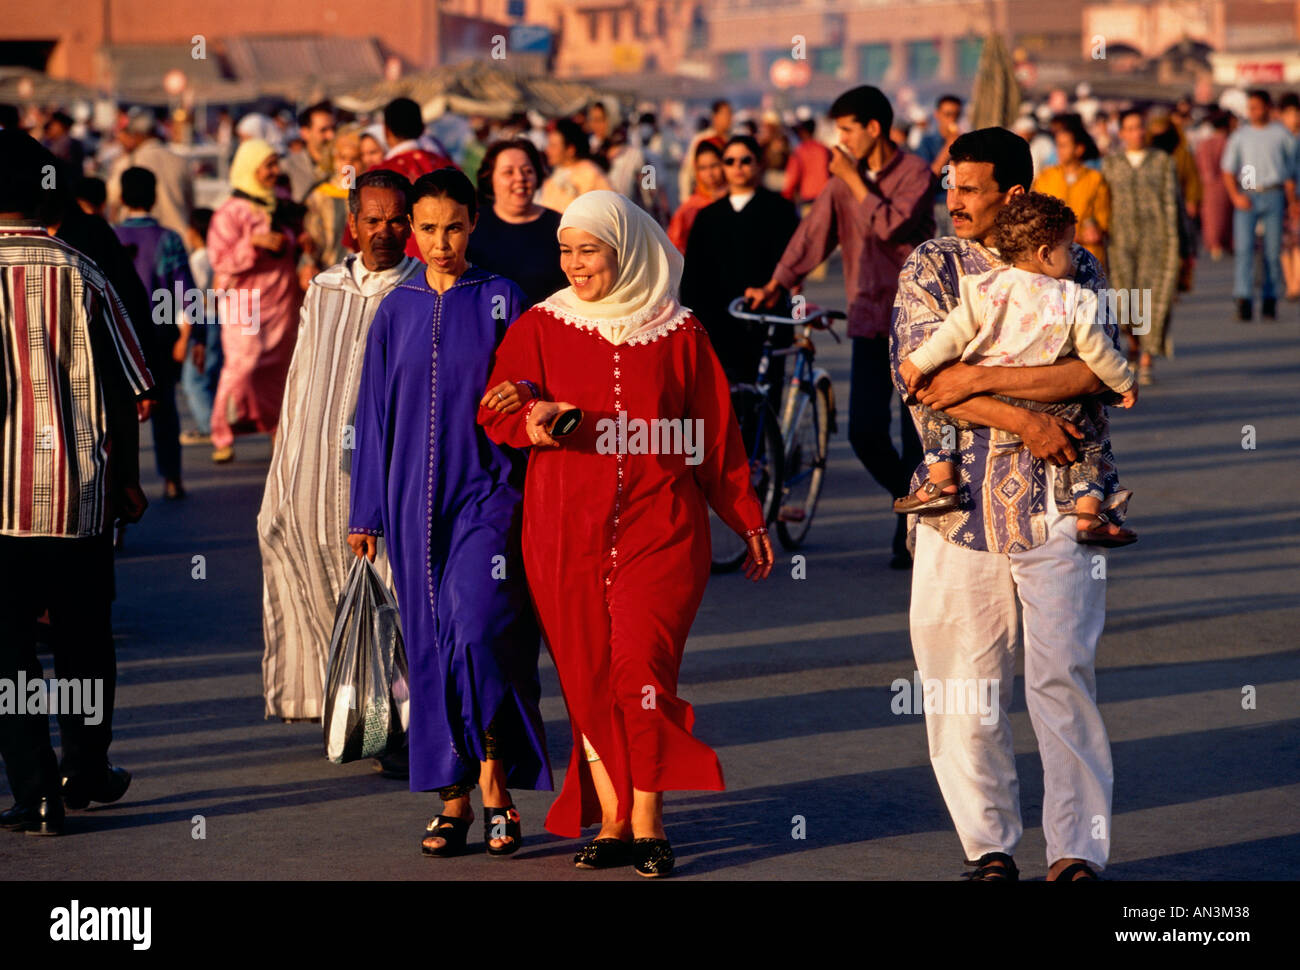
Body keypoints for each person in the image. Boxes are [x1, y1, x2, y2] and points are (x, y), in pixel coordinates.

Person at [478, 190, 774, 877]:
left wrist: (746, 516)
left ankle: (649, 816)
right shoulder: (540, 325)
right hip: (563, 532)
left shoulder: (680, 331)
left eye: (591, 250)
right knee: (587, 677)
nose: (576, 265)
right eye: (566, 251)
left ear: (625, 247)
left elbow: (714, 436)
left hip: (662, 528)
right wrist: (531, 416)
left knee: (642, 668)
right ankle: (611, 816)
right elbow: (496, 410)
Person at [892, 126, 1124, 882]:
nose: (952, 201)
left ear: (1013, 195)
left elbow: (1091, 375)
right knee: (963, 682)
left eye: (968, 189)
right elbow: (922, 379)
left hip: (1062, 501)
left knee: (1063, 678)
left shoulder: (1073, 261)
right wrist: (1023, 414)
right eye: (949, 187)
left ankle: (1075, 852)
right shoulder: (931, 264)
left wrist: (972, 382)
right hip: (956, 509)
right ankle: (988, 844)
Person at [348, 169, 552, 857]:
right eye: (427, 228)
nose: (440, 242)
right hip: (410, 503)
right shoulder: (394, 308)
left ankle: (496, 784)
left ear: (473, 224)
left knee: (479, 627)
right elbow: (371, 417)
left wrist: (522, 388)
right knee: (430, 646)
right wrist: (366, 511)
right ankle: (453, 800)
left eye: (454, 227)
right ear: (412, 229)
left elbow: (537, 387)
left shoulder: (503, 298)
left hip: (488, 495)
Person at [0, 129, 153, 836]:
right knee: (85, 640)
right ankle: (85, 765)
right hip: (78, 498)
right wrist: (127, 477)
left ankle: (34, 791)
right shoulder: (83, 270)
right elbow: (136, 385)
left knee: (8, 651)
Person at [745, 86, 933, 569]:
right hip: (868, 320)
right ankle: (912, 502)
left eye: (848, 129)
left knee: (915, 432)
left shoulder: (914, 173)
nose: (841, 139)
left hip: (921, 322)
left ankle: (908, 531)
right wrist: (777, 283)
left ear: (874, 128)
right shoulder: (839, 181)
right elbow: (813, 236)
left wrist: (853, 179)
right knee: (864, 432)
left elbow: (890, 226)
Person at [260, 170, 421, 722]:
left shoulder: (422, 289)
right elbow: (301, 379)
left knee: (390, 590)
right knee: (307, 571)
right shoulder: (325, 287)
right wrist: (282, 469)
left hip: (385, 471)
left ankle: (395, 718)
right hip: (313, 468)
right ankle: (341, 705)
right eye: (373, 219)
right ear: (352, 223)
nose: (385, 231)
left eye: (397, 219)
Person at [896, 191, 1137, 547]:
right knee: (1088, 442)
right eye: (1068, 249)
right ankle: (1088, 514)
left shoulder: (983, 289)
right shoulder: (1074, 298)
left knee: (936, 410)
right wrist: (1125, 382)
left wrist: (919, 363)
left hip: (986, 399)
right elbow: (1098, 356)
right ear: (1044, 254)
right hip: (1054, 402)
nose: (1074, 257)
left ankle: (941, 479)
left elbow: (951, 336)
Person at [681, 134, 799, 410]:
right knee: (723, 407)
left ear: (759, 164)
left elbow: (793, 263)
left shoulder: (779, 210)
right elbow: (694, 276)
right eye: (730, 161)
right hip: (719, 324)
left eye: (745, 160)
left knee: (764, 408)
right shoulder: (707, 216)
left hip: (767, 320)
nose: (738, 167)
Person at [207, 138, 303, 463]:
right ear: (251, 168)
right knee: (242, 363)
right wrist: (253, 242)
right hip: (244, 299)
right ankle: (222, 432)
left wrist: (292, 241)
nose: (275, 172)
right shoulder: (229, 212)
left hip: (281, 295)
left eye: (277, 164)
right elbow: (219, 259)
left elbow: (297, 241)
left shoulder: (283, 203)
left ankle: (276, 428)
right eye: (268, 165)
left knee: (279, 366)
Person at [114, 166, 195, 500]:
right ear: (154, 197)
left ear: (121, 197)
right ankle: (172, 478)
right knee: (165, 411)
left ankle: (120, 486)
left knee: (118, 417)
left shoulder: (109, 236)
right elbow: (184, 290)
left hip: (118, 339)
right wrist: (193, 337)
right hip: (158, 338)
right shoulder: (168, 239)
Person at [1103, 107, 1180, 383]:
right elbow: (1104, 203)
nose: (1138, 133)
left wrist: (1181, 245)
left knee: (1151, 296)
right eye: (1132, 128)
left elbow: (1173, 204)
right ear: (1121, 133)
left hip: (1157, 239)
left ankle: (1147, 355)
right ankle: (1133, 347)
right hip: (1120, 241)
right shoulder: (1111, 164)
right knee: (1124, 298)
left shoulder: (1162, 162)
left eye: (1141, 127)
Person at [1221, 89, 1299, 320]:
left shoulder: (1282, 134)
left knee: (1272, 251)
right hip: (1248, 193)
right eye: (1250, 108)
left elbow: (1292, 171)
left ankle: (1269, 297)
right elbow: (1227, 170)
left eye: (1256, 107)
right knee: (1244, 249)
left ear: (1267, 107)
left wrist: (1293, 201)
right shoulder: (1241, 135)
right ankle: (1243, 298)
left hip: (1274, 194)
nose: (1252, 112)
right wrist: (1236, 196)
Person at [466, 138, 568, 306]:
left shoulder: (560, 226)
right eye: (508, 172)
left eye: (527, 171)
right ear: (490, 178)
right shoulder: (472, 225)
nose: (520, 178)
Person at [105, 107, 194, 246]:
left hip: (138, 246)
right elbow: (190, 207)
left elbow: (112, 200)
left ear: (136, 134)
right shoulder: (181, 162)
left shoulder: (127, 163)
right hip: (179, 242)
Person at [1033, 117, 1111, 271]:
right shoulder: (1045, 177)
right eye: (1058, 145)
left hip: (1086, 256)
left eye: (1064, 146)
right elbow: (1036, 216)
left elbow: (1104, 218)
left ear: (1079, 149)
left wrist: (1095, 230)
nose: (1059, 150)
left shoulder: (1095, 179)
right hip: (1051, 258)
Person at [297, 126, 361, 291]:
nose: (348, 164)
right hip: (330, 277)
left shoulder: (370, 195)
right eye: (342, 158)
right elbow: (312, 240)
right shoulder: (320, 196)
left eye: (355, 159)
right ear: (333, 159)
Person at [539, 118, 612, 213]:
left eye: (553, 146)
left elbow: (610, 205)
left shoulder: (590, 173)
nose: (548, 150)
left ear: (570, 149)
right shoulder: (554, 175)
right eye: (548, 145)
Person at [666, 140, 726, 254]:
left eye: (714, 166)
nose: (710, 174)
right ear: (696, 170)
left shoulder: (736, 199)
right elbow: (674, 250)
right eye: (703, 168)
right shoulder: (688, 209)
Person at [916, 95, 963, 237]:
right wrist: (948, 147)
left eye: (956, 115)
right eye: (948, 114)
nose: (952, 119)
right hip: (936, 204)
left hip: (958, 204)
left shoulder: (965, 142)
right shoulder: (927, 143)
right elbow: (926, 178)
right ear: (937, 115)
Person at [1195, 110, 1235, 262]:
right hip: (1226, 184)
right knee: (1225, 216)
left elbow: (1204, 168)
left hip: (1210, 186)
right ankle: (1223, 243)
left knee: (1212, 217)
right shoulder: (1229, 142)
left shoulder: (1205, 143)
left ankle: (1215, 244)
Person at [677, 99, 731, 205]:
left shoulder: (730, 140)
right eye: (725, 114)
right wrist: (686, 200)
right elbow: (688, 171)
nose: (729, 119)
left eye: (730, 114)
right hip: (704, 197)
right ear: (715, 117)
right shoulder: (702, 139)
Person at [281, 100, 336, 203]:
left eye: (333, 128)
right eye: (323, 130)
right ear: (305, 133)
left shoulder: (346, 164)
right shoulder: (289, 166)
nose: (331, 135)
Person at [1279, 93, 1300, 299]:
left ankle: (1296, 284)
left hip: (1295, 195)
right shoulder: (1276, 137)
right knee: (1283, 243)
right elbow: (1249, 167)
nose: (1294, 118)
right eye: (1290, 113)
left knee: (1297, 240)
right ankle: (1290, 283)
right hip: (1276, 195)